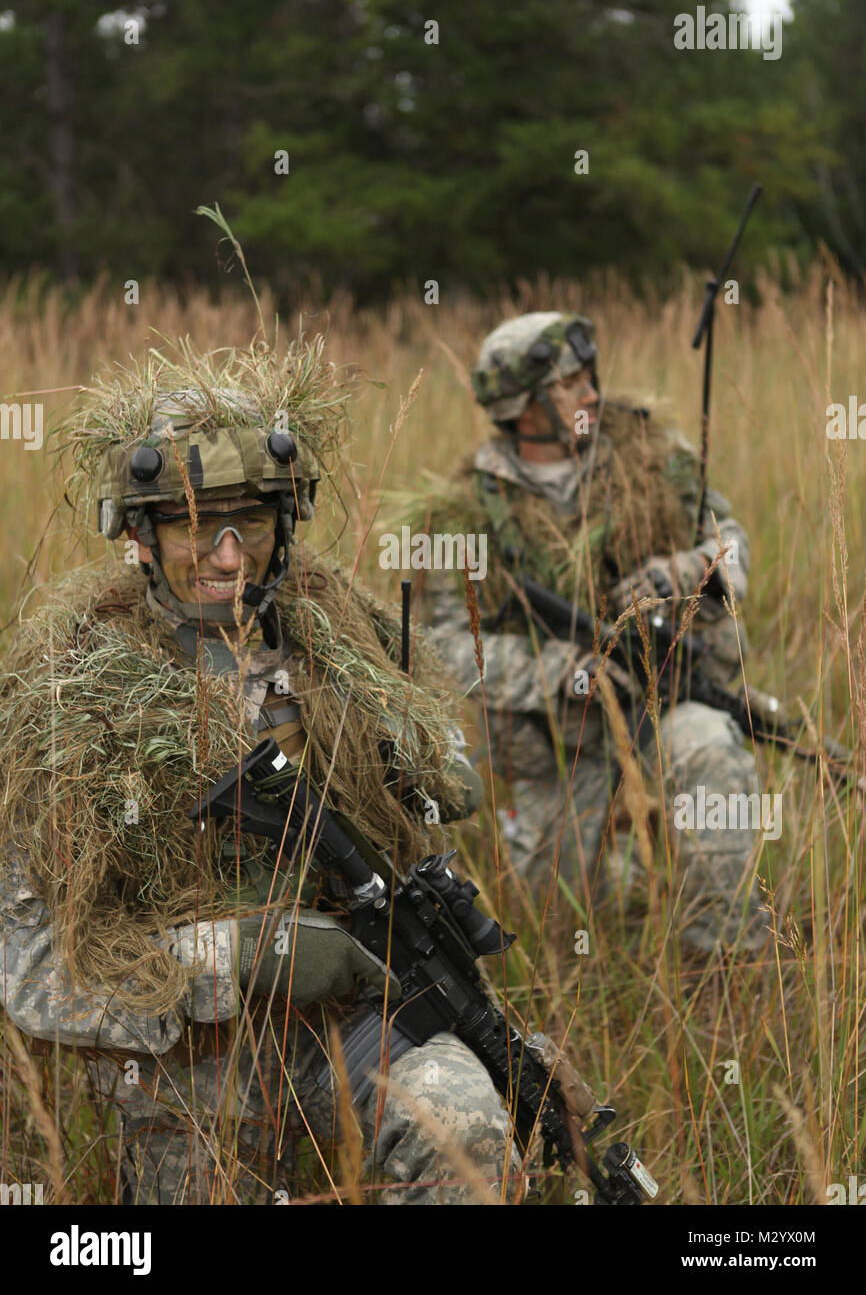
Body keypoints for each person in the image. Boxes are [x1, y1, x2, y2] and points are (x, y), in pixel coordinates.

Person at [0, 343, 516, 1205]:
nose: (229, 557)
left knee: (467, 1134)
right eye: (196, 524)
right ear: (138, 532)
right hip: (188, 1058)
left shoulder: (342, 638)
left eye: (253, 524)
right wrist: (235, 957)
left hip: (357, 1019)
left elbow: (438, 776)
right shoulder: (70, 693)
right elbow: (33, 974)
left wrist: (426, 773)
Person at [415, 311, 769, 955]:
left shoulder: (654, 457)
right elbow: (445, 649)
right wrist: (566, 671)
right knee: (554, 920)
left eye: (589, 377)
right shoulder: (463, 511)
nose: (591, 395)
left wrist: (691, 566)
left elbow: (734, 545)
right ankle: (634, 857)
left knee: (712, 748)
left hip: (667, 694)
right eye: (569, 384)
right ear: (523, 406)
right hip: (556, 735)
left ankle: (718, 953)